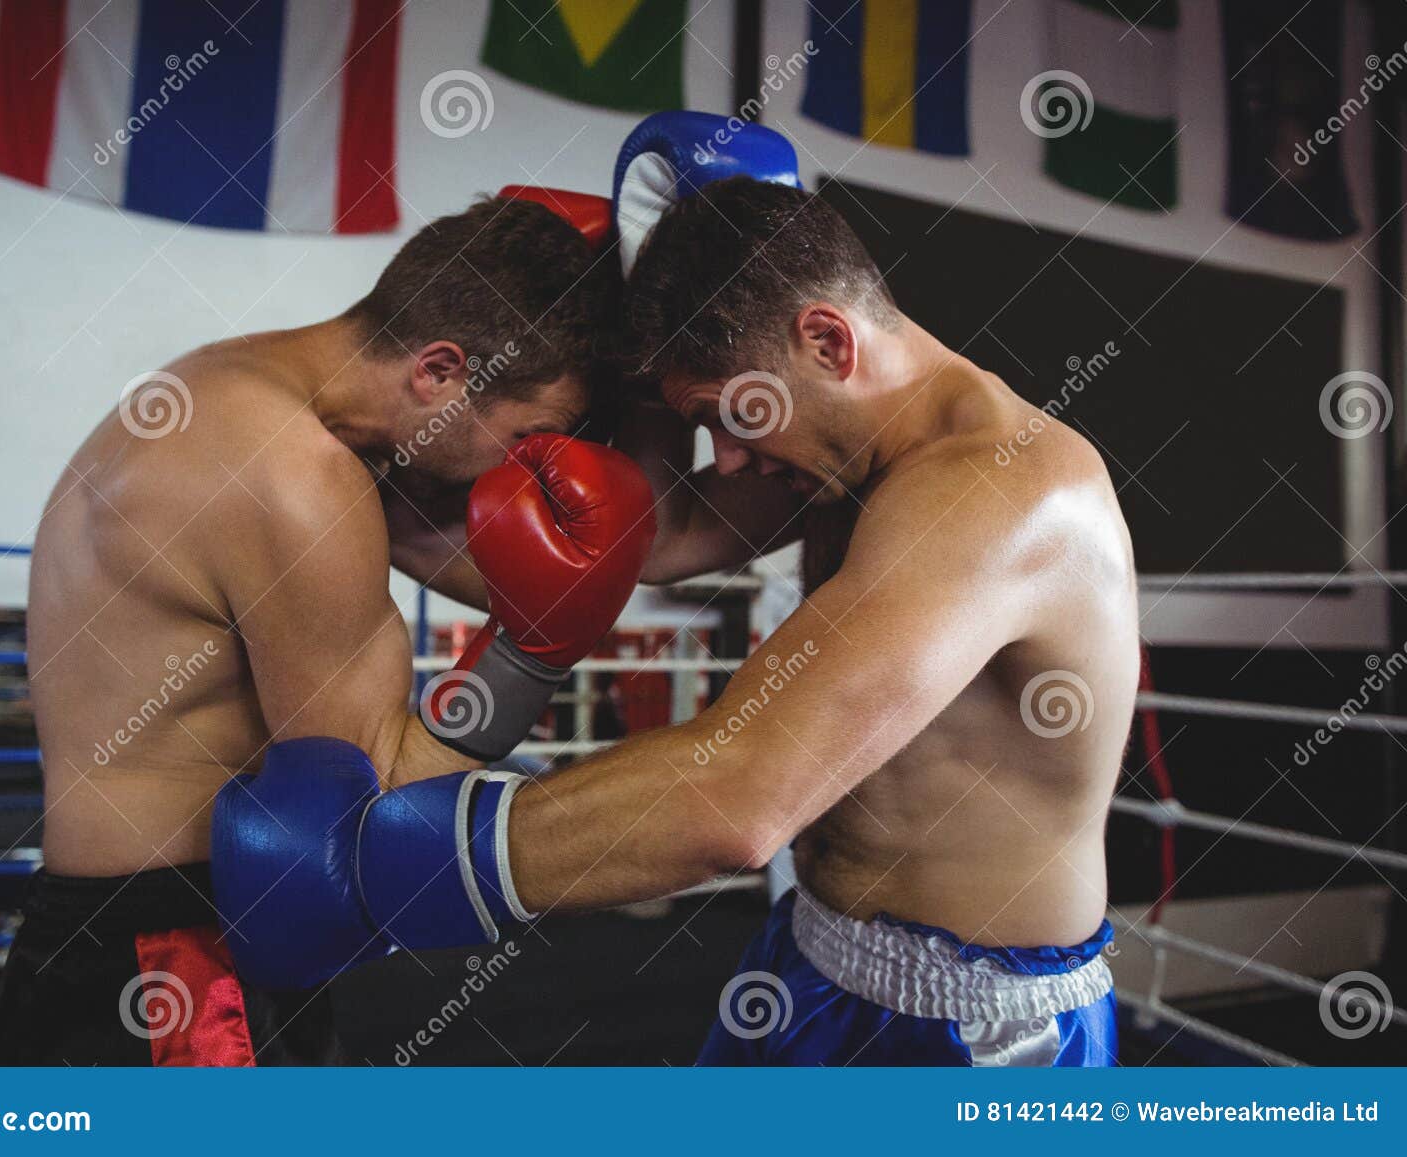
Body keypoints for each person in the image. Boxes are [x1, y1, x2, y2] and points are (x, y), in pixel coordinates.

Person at [213, 113, 1138, 1067]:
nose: (727, 458)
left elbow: (740, 797)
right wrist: (344, 472)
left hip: (985, 1029)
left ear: (827, 339)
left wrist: (384, 864)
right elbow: (644, 538)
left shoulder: (1008, 492)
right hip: (811, 953)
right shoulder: (845, 458)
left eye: (728, 420)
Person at [0, 188, 655, 1065]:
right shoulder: (297, 477)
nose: (528, 463)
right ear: (441, 372)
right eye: (532, 433)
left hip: (94, 938)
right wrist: (534, 652)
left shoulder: (212, 385)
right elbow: (375, 821)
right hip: (181, 973)